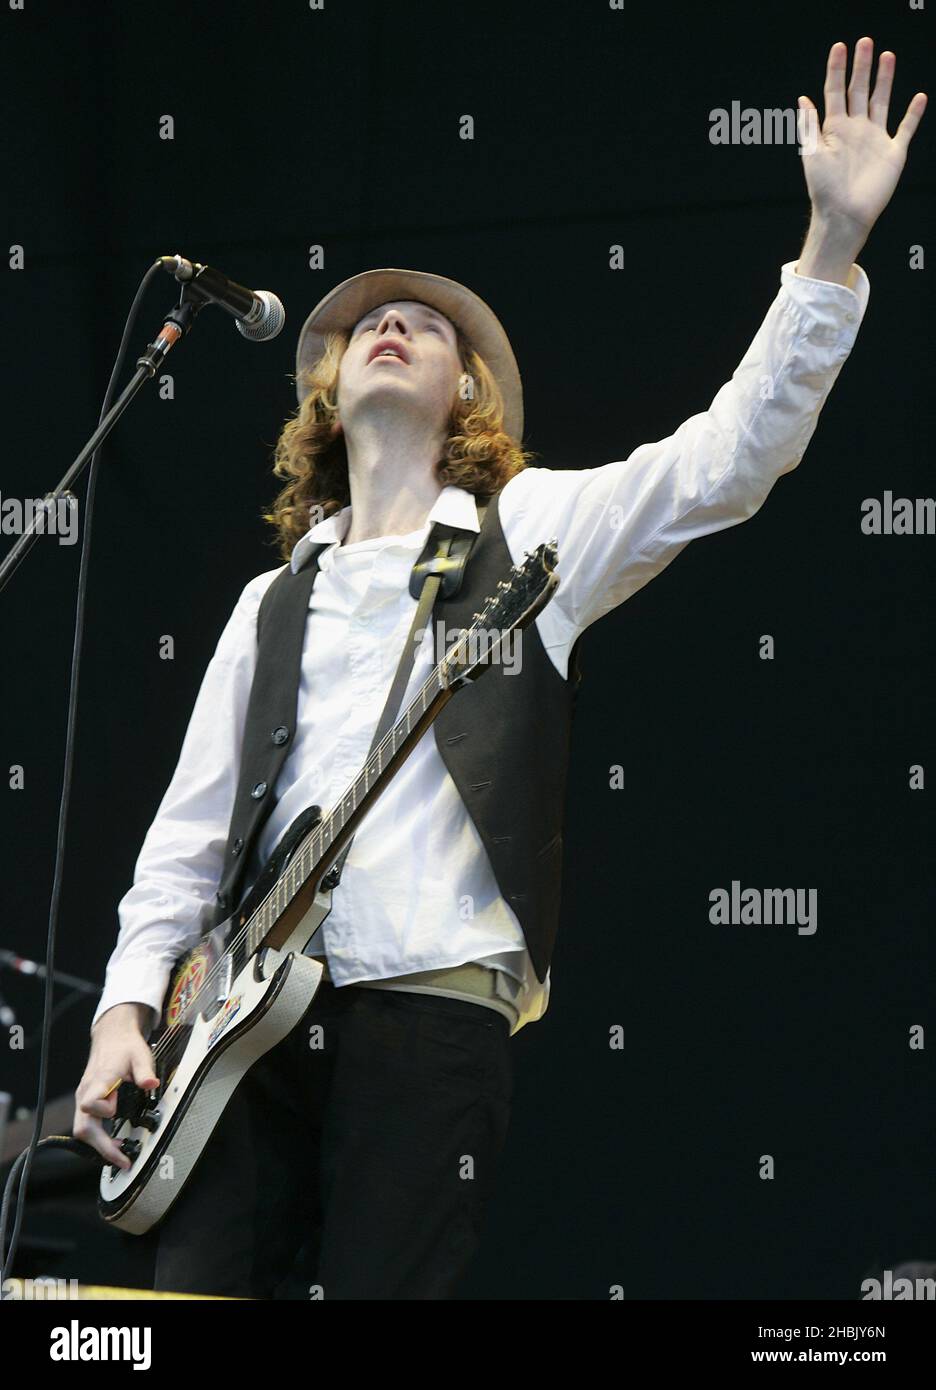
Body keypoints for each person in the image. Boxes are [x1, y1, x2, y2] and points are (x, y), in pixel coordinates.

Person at [73, 39, 925, 1299]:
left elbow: (729, 459)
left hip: (430, 1020)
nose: (393, 322)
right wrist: (120, 1012)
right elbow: (187, 837)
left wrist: (830, 250)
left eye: (426, 323)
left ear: (468, 388)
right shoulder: (271, 601)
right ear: (325, 387)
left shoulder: (537, 533)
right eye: (369, 318)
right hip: (237, 1043)